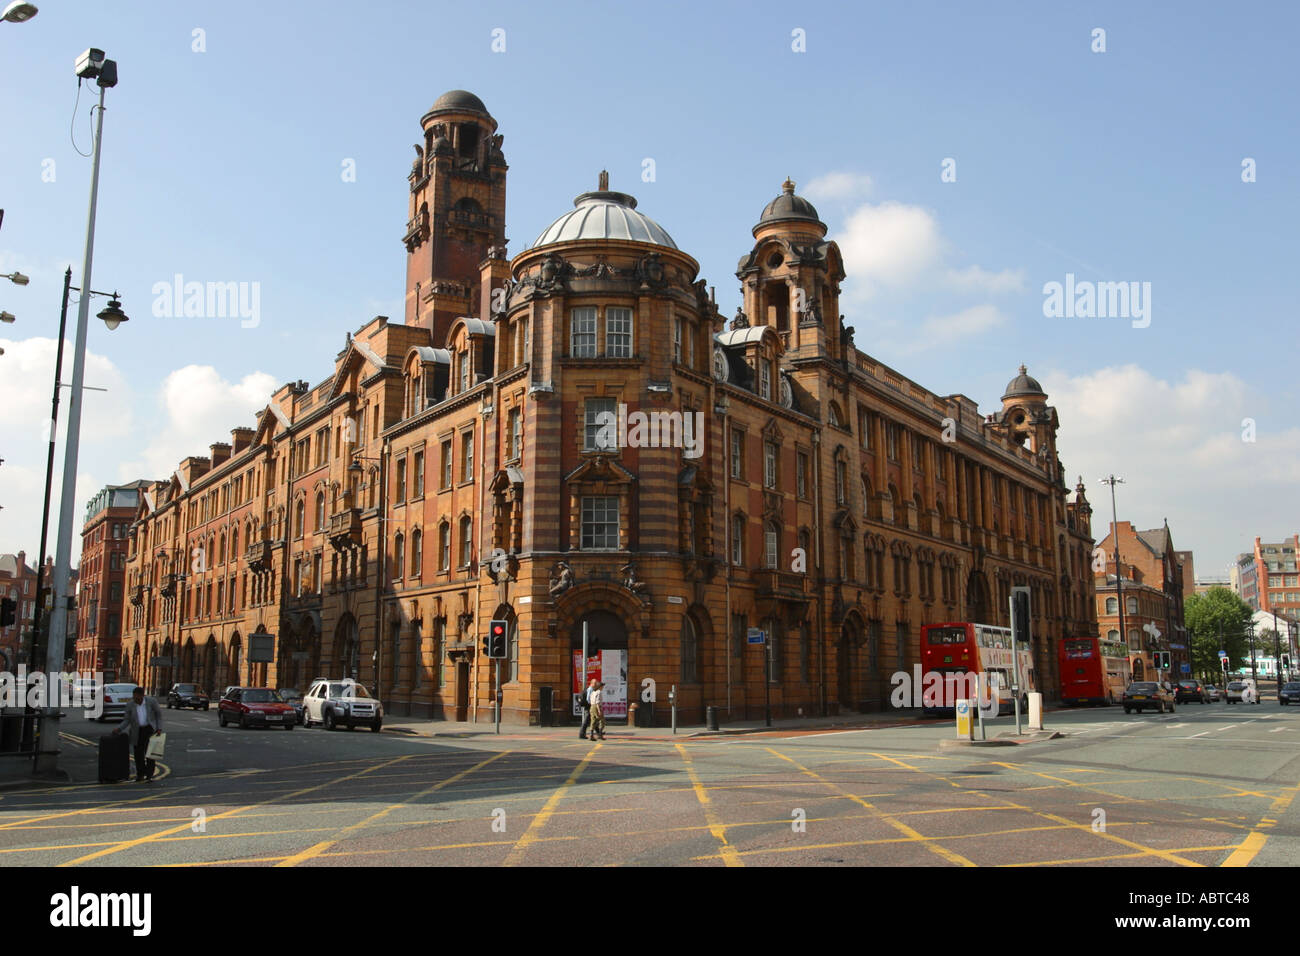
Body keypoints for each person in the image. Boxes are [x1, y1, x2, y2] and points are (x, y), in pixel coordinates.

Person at [114, 686, 164, 782]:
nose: (135, 700)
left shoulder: (151, 701)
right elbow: (127, 720)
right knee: (138, 754)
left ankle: (149, 775)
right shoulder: (130, 705)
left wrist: (159, 728)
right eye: (134, 698)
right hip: (136, 731)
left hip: (149, 729)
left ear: (142, 696)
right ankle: (140, 774)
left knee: (150, 753)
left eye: (137, 698)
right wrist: (119, 728)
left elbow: (158, 715)